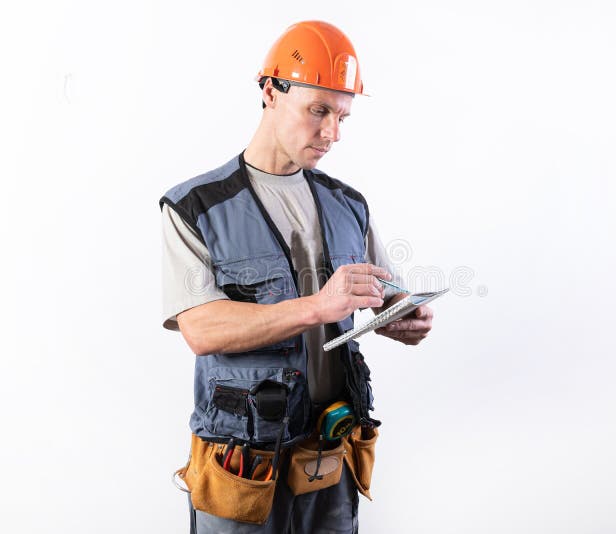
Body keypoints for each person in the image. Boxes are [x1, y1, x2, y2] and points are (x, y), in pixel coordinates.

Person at [160, 20, 434, 533]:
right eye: (319, 110)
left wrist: (404, 316)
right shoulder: (196, 207)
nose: (333, 133)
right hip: (243, 462)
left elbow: (383, 294)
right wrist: (317, 307)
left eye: (342, 116)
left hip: (331, 452)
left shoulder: (348, 204)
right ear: (270, 91)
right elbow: (201, 329)